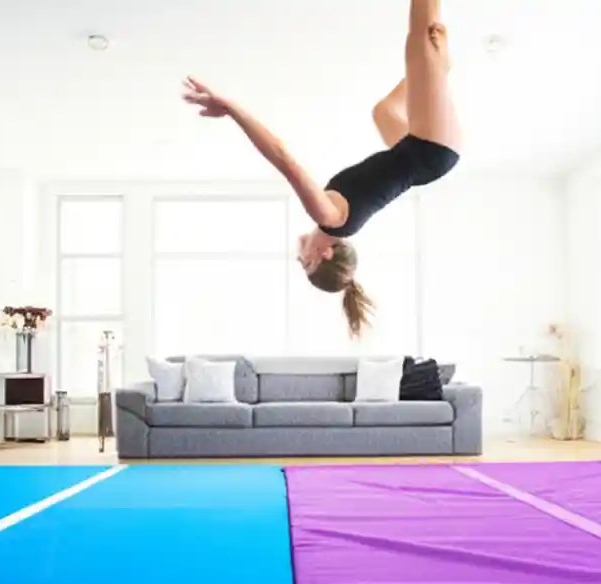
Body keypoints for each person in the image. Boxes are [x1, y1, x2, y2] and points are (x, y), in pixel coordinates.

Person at [183, 0, 461, 337]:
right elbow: (285, 160)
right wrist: (231, 109)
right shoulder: (330, 217)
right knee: (420, 36)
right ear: (324, 254)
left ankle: (437, 69)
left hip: (415, 156)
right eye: (306, 263)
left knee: (384, 111)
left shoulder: (340, 222)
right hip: (430, 149)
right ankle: (434, 65)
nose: (300, 257)